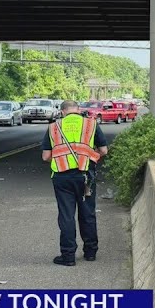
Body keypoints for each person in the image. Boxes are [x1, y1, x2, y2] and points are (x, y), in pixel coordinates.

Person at [41, 100, 108, 265]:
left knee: (66, 216)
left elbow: (45, 156)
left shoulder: (54, 127)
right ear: (78, 110)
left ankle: (68, 256)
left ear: (63, 111)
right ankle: (90, 252)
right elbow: (104, 150)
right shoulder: (90, 124)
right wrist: (92, 158)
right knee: (88, 214)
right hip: (86, 176)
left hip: (62, 177)